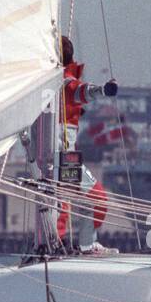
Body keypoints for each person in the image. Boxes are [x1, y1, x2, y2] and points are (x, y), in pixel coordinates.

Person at [56, 35, 117, 252]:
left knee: (60, 200)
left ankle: (57, 244)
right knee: (97, 199)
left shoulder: (45, 84)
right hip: (63, 156)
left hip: (47, 154)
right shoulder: (65, 81)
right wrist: (104, 90)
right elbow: (81, 90)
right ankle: (87, 246)